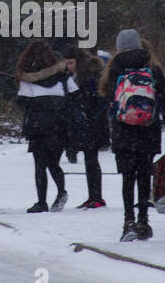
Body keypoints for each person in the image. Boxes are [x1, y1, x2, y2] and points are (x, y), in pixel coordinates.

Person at [100, 29, 165, 242]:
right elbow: (163, 102)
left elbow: (109, 101)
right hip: (148, 130)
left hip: (123, 131)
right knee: (144, 176)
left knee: (127, 177)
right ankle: (143, 220)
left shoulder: (114, 68)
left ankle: (128, 221)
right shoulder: (153, 69)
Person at [16, 41, 79, 213]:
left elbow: (22, 101)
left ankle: (41, 201)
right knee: (54, 163)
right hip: (59, 126)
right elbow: (75, 97)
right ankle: (61, 192)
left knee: (40, 165)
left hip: (37, 127)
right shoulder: (64, 78)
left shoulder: (27, 79)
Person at [63, 45, 109, 209]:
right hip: (85, 123)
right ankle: (93, 196)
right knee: (89, 160)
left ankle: (96, 197)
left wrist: (87, 113)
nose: (68, 67)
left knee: (92, 160)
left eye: (71, 63)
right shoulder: (74, 77)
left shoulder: (90, 77)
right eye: (66, 63)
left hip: (93, 124)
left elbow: (99, 100)